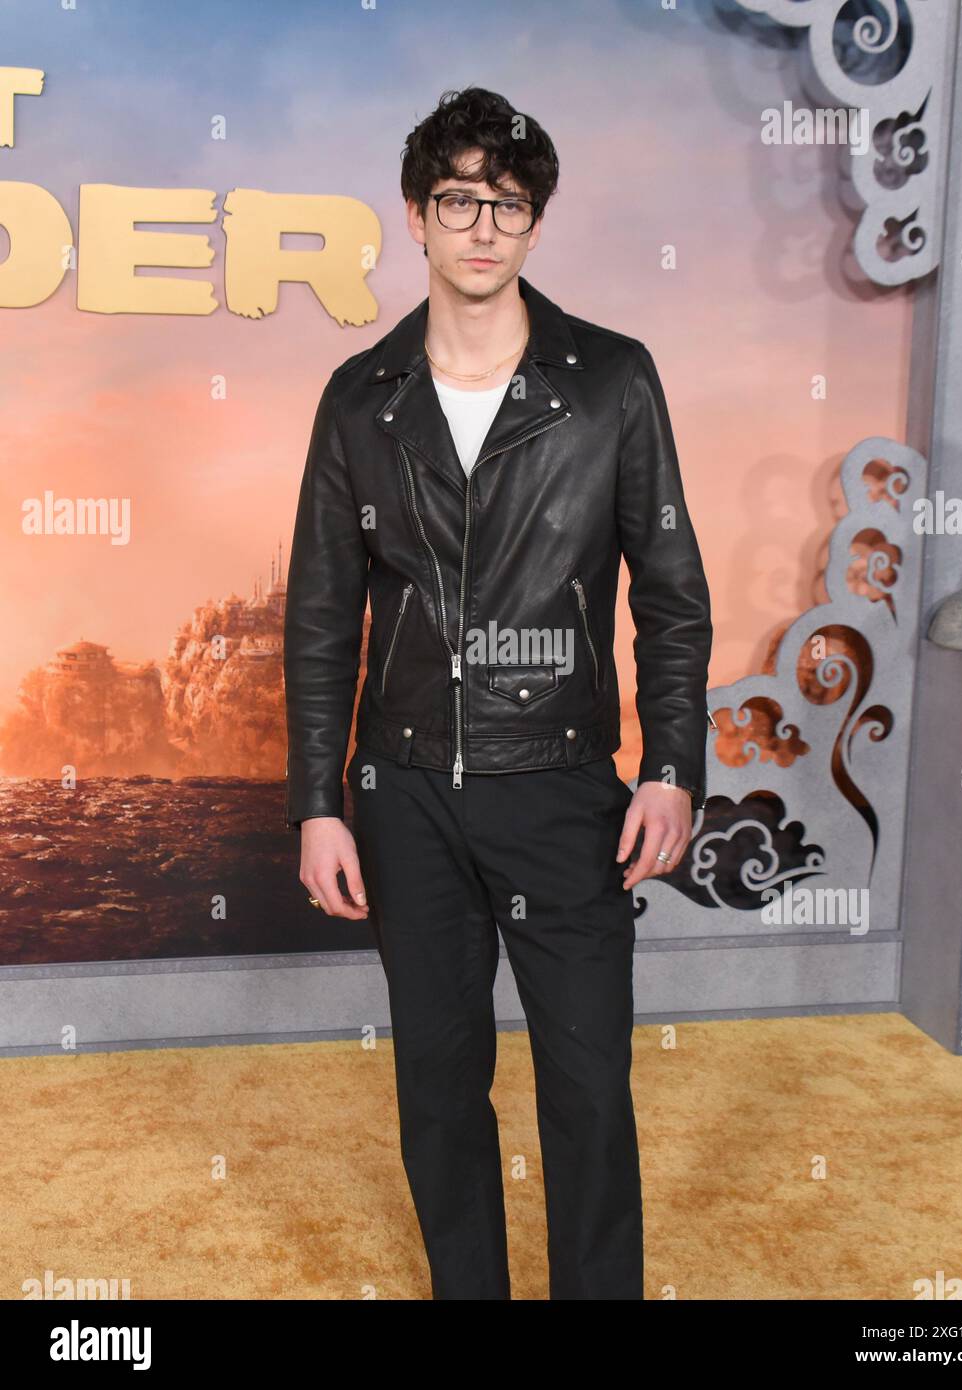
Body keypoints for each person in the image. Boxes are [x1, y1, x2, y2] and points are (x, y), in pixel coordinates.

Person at [283, 86, 712, 1300]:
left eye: (507, 204)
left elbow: (670, 597)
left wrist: (670, 765)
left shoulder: (612, 384)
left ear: (534, 225)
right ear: (416, 216)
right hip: (405, 796)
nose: (482, 225)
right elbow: (321, 617)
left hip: (564, 789)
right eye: (459, 200)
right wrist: (320, 800)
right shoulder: (358, 398)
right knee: (436, 1084)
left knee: (586, 1089)